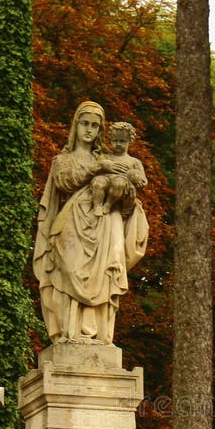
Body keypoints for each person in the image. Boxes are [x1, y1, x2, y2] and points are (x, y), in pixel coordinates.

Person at [33, 101, 148, 345]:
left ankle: (99, 335)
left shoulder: (108, 157)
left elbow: (128, 192)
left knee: (106, 277)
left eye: (95, 126)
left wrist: (126, 186)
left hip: (105, 222)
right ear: (75, 125)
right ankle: (70, 332)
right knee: (70, 270)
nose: (89, 130)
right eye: (85, 123)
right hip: (73, 220)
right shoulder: (62, 160)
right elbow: (65, 182)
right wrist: (98, 169)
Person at [91, 121, 147, 217]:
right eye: (115, 141)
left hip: (121, 183)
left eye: (122, 141)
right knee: (97, 182)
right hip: (105, 178)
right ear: (110, 140)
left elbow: (143, 180)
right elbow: (95, 167)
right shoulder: (105, 156)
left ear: (130, 141)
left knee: (119, 183)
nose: (118, 144)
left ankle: (108, 203)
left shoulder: (134, 161)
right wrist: (102, 165)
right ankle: (97, 205)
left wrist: (137, 178)